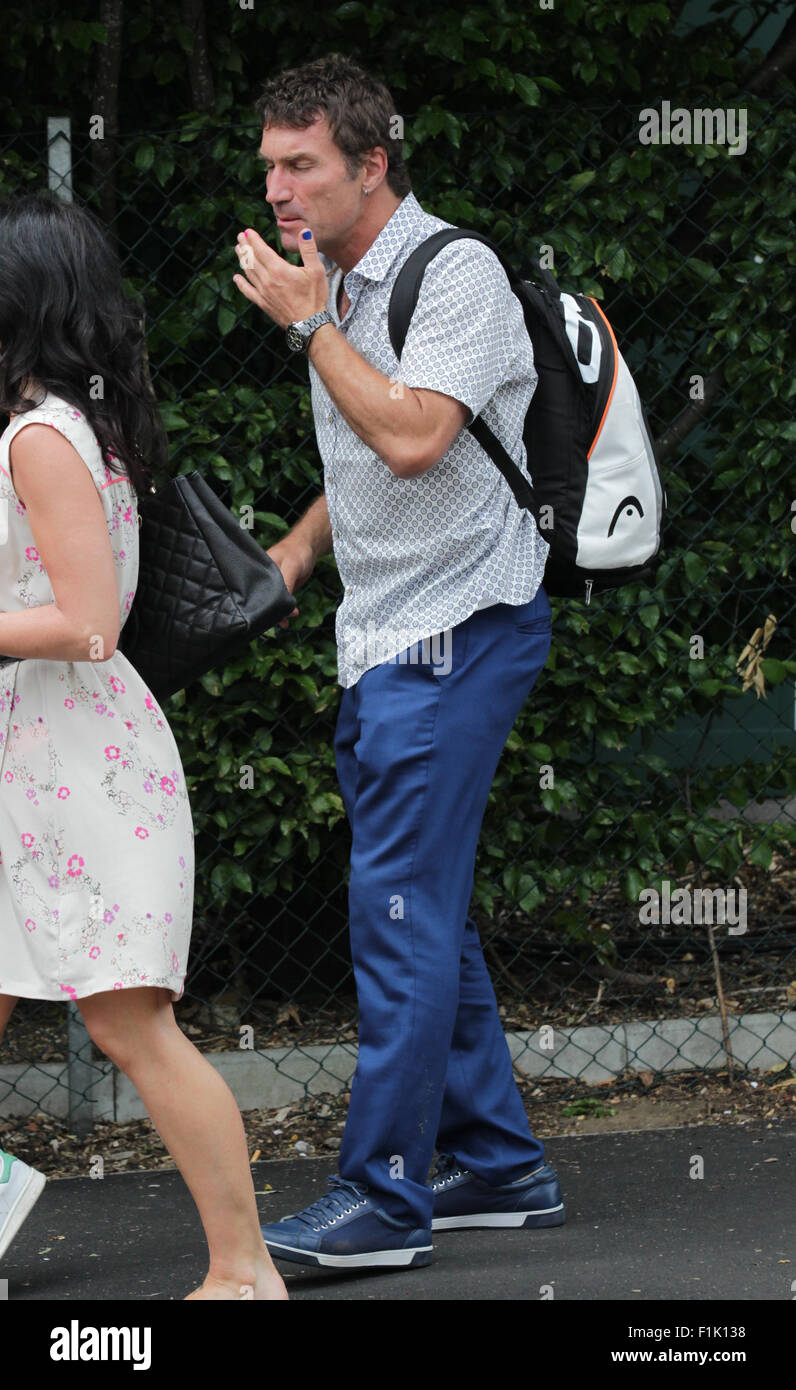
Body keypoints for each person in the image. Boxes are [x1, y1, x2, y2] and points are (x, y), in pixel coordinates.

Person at [233, 52, 566, 1271]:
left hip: (458, 634)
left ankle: (380, 1199)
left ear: (370, 165)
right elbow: (365, 456)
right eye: (270, 163)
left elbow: (418, 435)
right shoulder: (342, 283)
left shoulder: (452, 271)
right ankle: (498, 1164)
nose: (276, 187)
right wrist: (292, 555)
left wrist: (310, 324)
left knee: (399, 918)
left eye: (300, 163)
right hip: (382, 638)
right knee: (425, 911)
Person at [0, 194, 287, 1301]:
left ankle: (242, 1269)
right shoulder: (76, 421)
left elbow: (86, 621)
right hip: (40, 761)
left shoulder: (43, 434)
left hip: (75, 773)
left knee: (134, 1029)